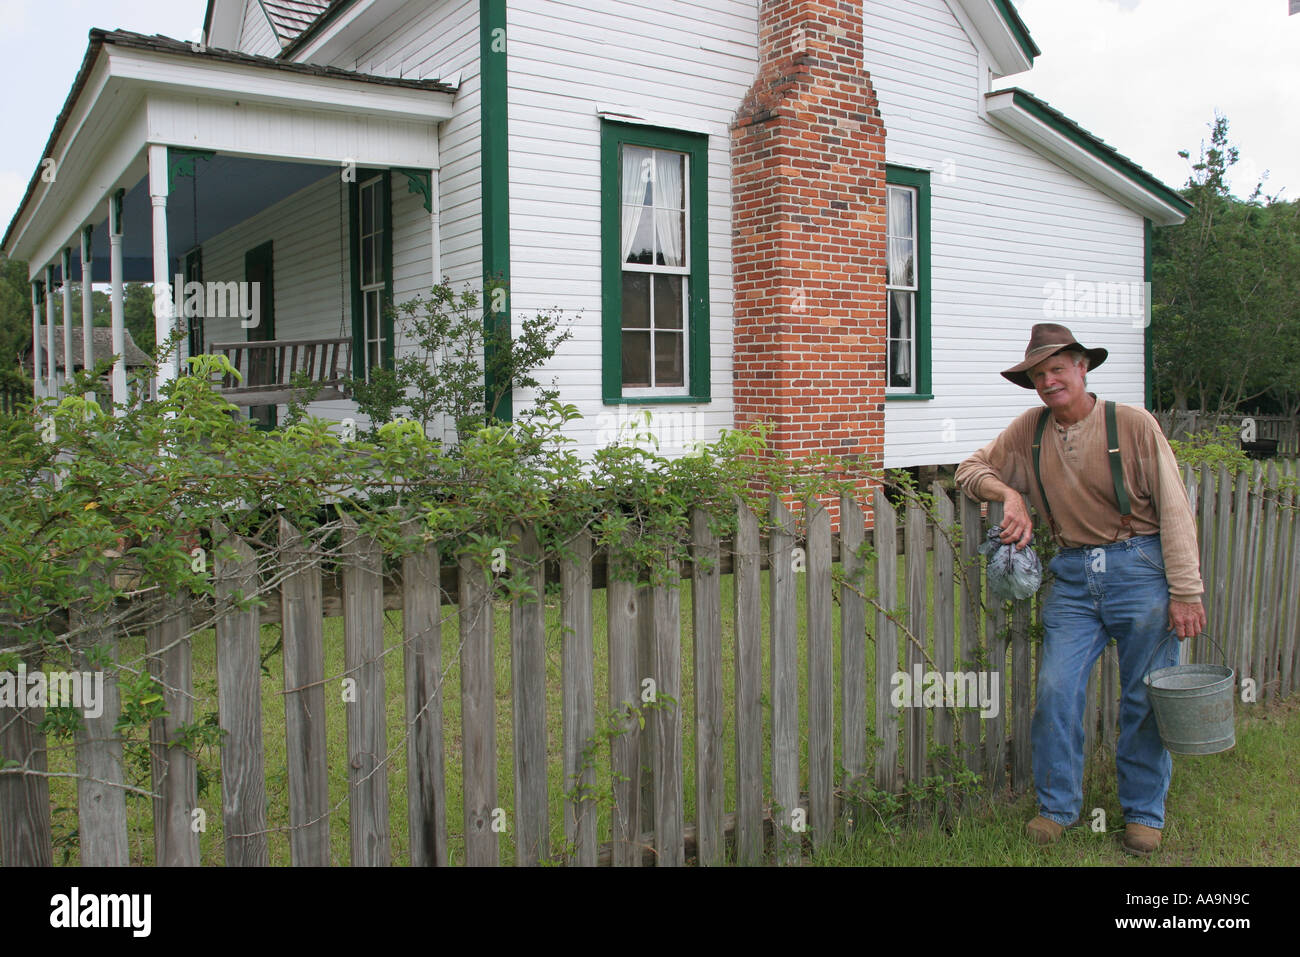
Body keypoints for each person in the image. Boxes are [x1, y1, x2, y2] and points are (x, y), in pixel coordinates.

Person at [955, 323, 1206, 856]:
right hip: (1071, 576)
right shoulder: (1030, 429)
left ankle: (1143, 812)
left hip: (1139, 567)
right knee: (1055, 691)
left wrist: (1186, 591)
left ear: (1082, 368)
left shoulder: (1132, 424)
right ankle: (1058, 808)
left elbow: (1174, 508)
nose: (1048, 381)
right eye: (1038, 374)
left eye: (1057, 370)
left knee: (1144, 696)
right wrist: (1010, 495)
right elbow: (969, 469)